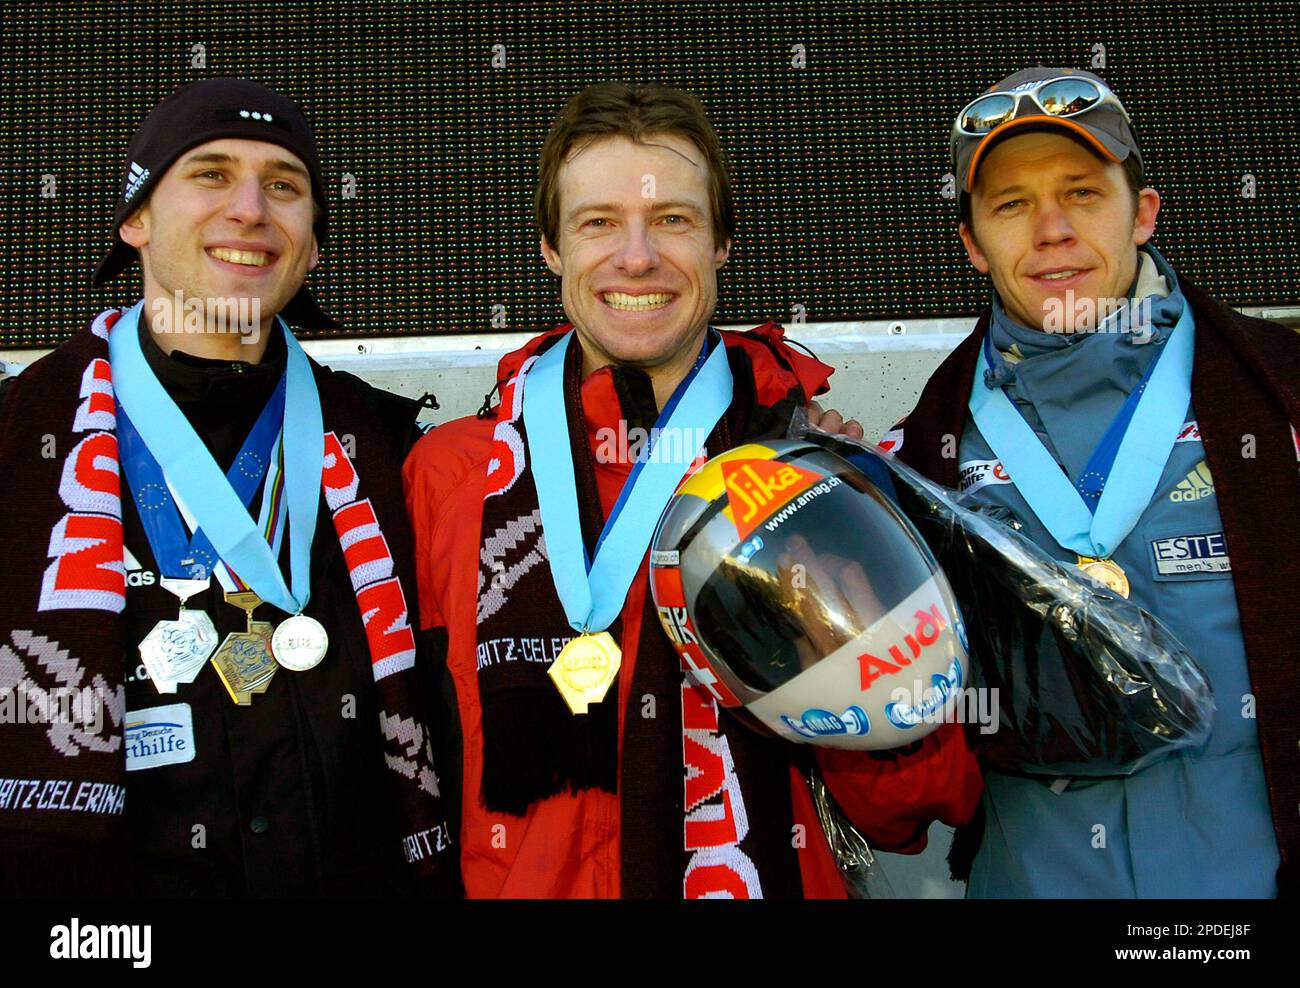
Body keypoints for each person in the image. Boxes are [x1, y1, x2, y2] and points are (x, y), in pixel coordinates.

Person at [403, 81, 982, 898]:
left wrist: (882, 697)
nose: (636, 257)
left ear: (723, 243)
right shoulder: (448, 476)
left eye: (673, 220)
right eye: (598, 222)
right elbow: (413, 765)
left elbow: (915, 812)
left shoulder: (810, 471)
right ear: (550, 247)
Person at [0, 78, 442, 896]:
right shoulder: (20, 441)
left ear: (312, 246)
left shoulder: (391, 447)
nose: (250, 208)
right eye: (209, 173)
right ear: (134, 220)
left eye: (284, 185)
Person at [887, 67, 1299, 897]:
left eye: (1081, 193)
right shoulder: (919, 456)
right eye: (1010, 205)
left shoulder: (1282, 399)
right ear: (972, 243)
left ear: (1143, 212)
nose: (1051, 231)